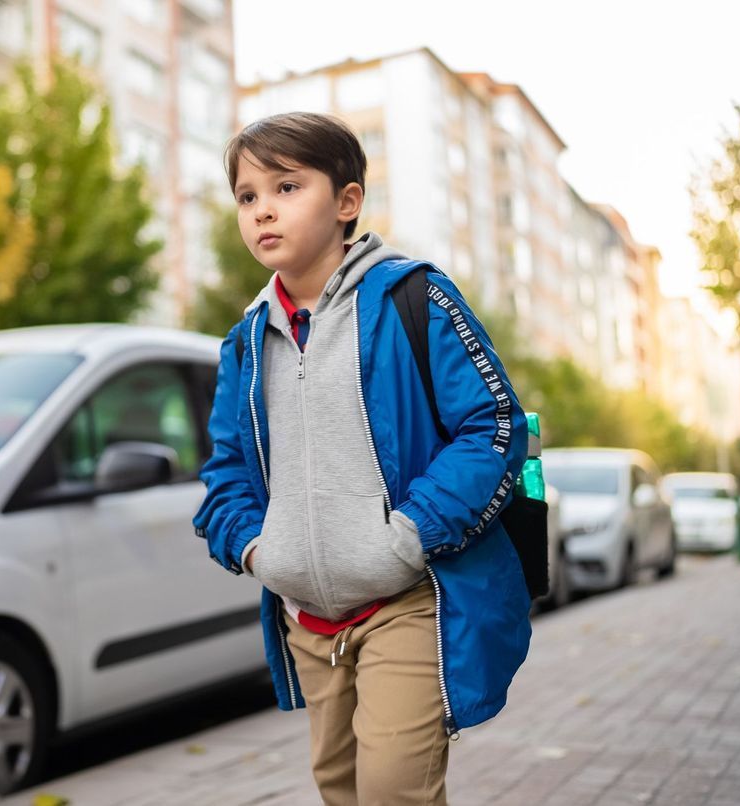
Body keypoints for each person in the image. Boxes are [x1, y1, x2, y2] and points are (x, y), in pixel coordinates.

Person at [192, 112, 531, 805]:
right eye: (248, 196)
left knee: (392, 792)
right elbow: (224, 471)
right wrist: (260, 551)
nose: (262, 211)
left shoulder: (416, 298)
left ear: (346, 202)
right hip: (307, 618)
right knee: (340, 789)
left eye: (286, 187)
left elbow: (494, 425)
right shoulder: (246, 343)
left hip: (406, 599)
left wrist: (405, 539)